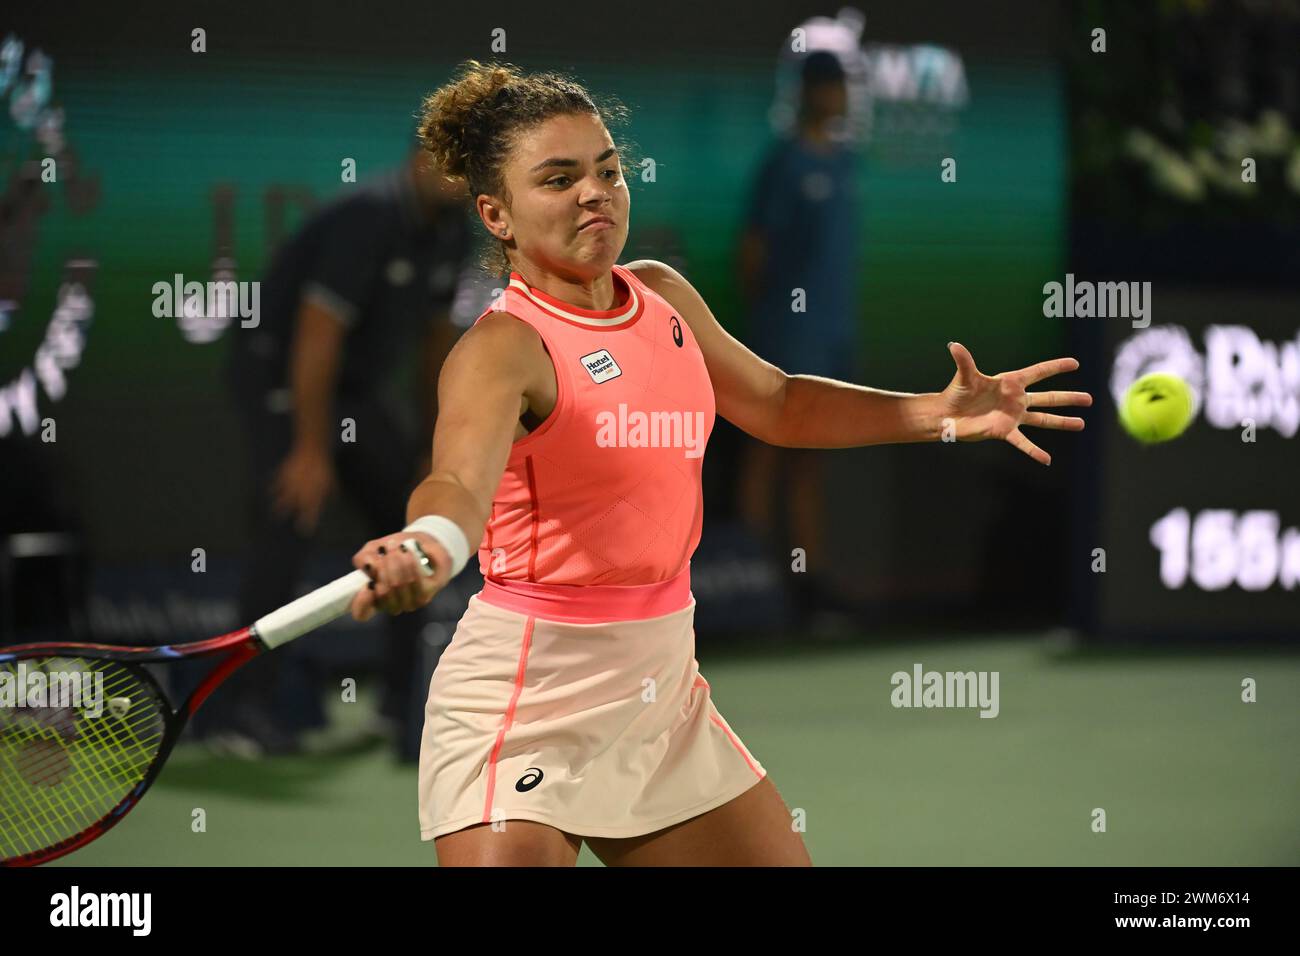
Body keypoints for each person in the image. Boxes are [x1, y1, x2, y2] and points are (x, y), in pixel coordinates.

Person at [350, 60, 1091, 867]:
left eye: (607, 170)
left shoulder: (662, 295)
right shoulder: (501, 348)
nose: (595, 194)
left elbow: (777, 403)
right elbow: (456, 480)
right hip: (528, 698)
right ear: (496, 213)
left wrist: (940, 413)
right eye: (558, 180)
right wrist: (429, 542)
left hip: (661, 687)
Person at [206, 146, 471, 758]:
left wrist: (436, 448)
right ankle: (243, 712)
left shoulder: (453, 230)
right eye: (445, 159)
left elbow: (435, 346)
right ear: (418, 158)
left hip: (353, 391)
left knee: (410, 524)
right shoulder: (368, 217)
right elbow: (316, 337)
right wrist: (309, 449)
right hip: (281, 377)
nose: (456, 174)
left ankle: (400, 703)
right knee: (290, 518)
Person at [737, 50, 861, 627]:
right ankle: (751, 577)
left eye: (841, 86)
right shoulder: (781, 164)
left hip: (830, 336)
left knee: (810, 457)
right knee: (765, 448)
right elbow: (753, 254)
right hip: (783, 334)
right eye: (828, 86)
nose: (837, 96)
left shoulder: (845, 164)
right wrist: (771, 323)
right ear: (808, 93)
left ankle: (809, 585)